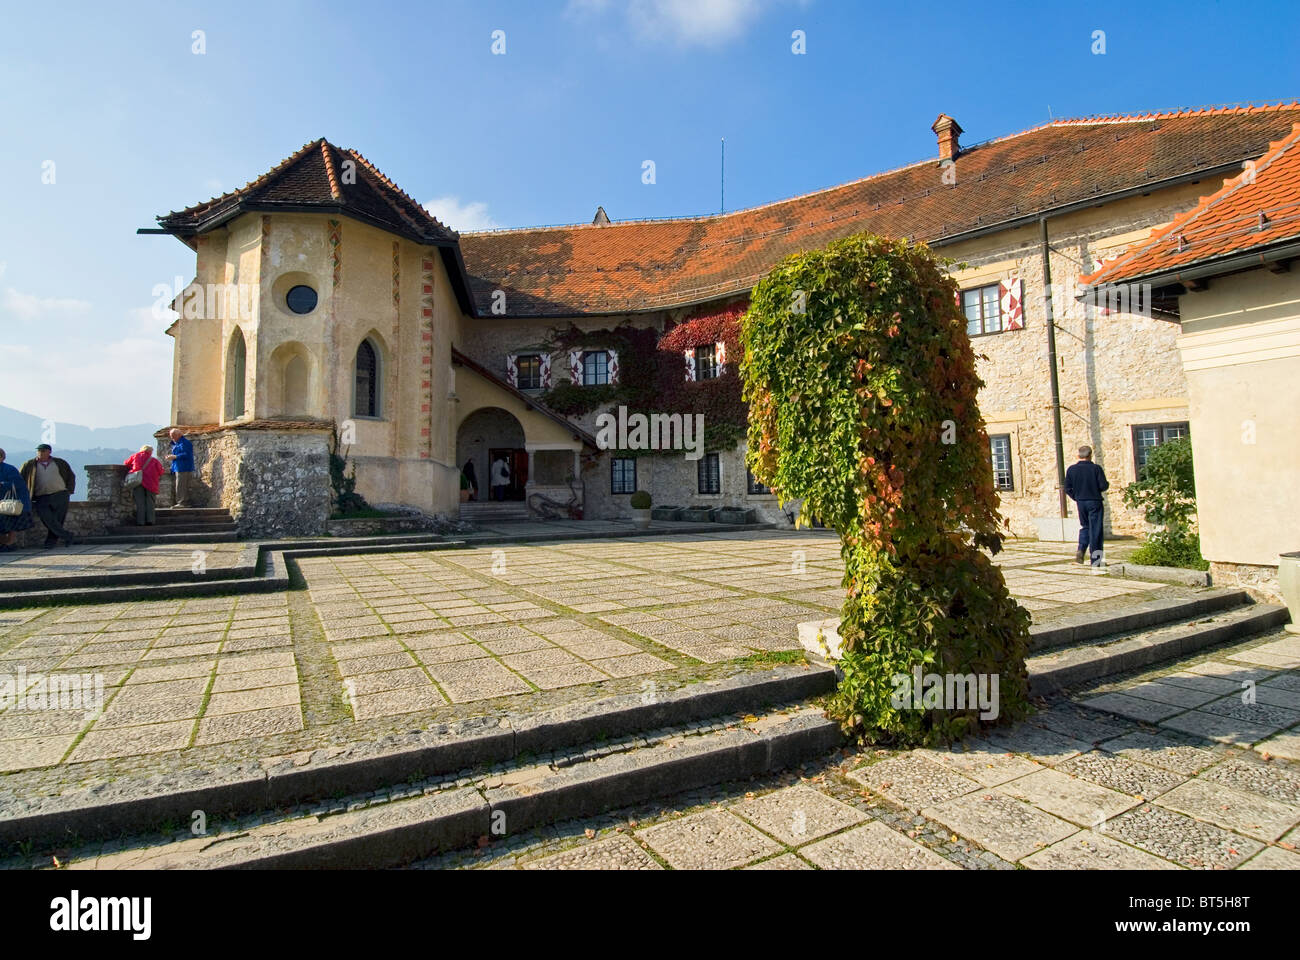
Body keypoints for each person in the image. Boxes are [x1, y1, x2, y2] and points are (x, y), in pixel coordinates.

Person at [20, 444, 78, 548]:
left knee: (58, 519)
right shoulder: (29, 465)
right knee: (46, 518)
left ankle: (50, 542)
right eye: (39, 451)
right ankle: (67, 535)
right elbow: (20, 479)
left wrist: (69, 490)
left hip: (60, 494)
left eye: (43, 451)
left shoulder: (60, 463)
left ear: (49, 452)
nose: (40, 453)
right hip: (41, 496)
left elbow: (71, 476)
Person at [1065, 444, 1110, 566]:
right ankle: (1096, 560)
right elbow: (1103, 486)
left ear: (1078, 455)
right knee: (1096, 530)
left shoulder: (1071, 469)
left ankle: (1081, 551)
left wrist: (1076, 497)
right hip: (1094, 501)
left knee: (1085, 527)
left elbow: (1067, 488)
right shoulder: (1096, 469)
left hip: (1081, 501)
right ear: (1090, 455)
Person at [0, 448, 33, 552]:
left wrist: (2, 484)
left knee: (10, 522)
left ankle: (10, 543)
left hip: (13, 502)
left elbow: (17, 484)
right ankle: (4, 543)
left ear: (2, 457)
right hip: (3, 502)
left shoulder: (9, 469)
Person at [123, 445, 165, 526]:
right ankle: (150, 520)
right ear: (150, 452)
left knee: (140, 502)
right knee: (150, 502)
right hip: (151, 483)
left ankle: (140, 522)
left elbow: (126, 463)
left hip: (137, 481)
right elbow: (161, 471)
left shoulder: (135, 456)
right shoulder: (154, 460)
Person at [164, 427, 194, 506]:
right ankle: (183, 502)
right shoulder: (178, 443)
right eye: (171, 435)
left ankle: (182, 502)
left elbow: (187, 454)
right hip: (178, 467)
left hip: (183, 467)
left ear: (179, 435)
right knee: (181, 485)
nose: (172, 437)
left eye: (173, 435)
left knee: (181, 485)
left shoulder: (184, 443)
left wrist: (175, 457)